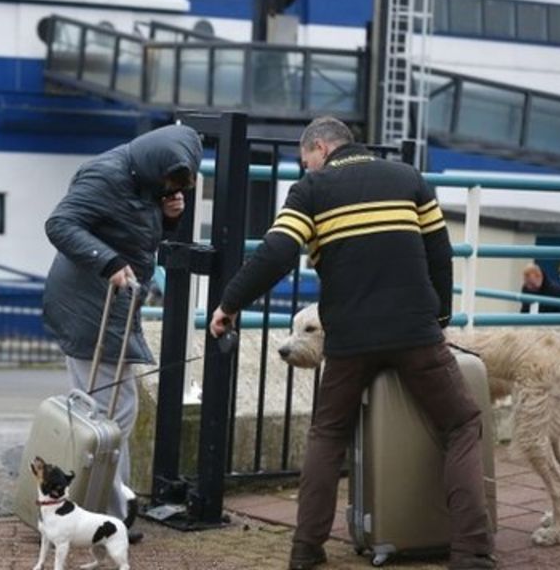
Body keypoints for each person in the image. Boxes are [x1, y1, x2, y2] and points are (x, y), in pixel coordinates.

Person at [209, 117, 495, 570]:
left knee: (328, 435)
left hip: (348, 339)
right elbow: (439, 255)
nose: (306, 168)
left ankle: (306, 550)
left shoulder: (311, 190)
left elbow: (276, 253)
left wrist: (229, 304)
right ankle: (471, 553)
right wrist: (438, 320)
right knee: (461, 424)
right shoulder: (408, 178)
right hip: (415, 333)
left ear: (321, 148)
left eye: (306, 160)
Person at [43, 124, 202, 543]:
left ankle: (104, 507)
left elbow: (138, 234)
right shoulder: (106, 175)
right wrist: (108, 261)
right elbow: (59, 223)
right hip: (88, 303)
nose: (170, 191)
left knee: (103, 411)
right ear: (155, 168)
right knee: (111, 411)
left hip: (110, 304)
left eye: (177, 187)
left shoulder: (147, 181)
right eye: (168, 185)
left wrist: (171, 217)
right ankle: (109, 512)